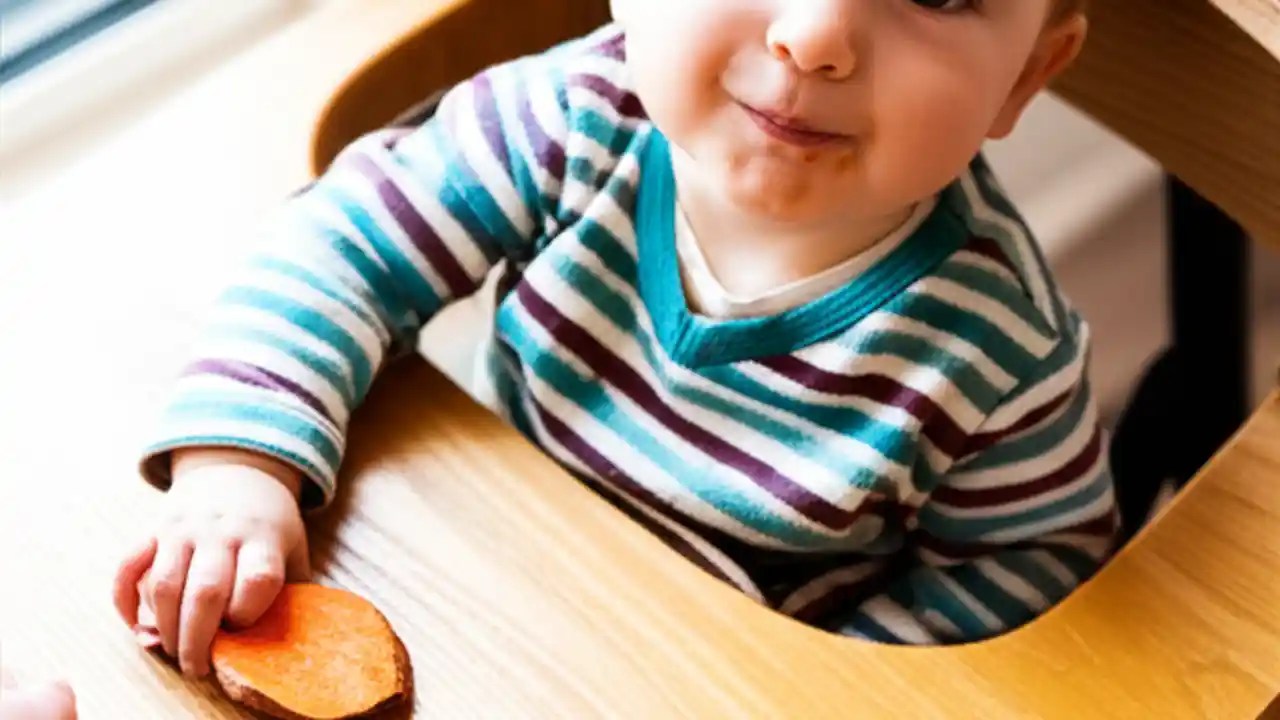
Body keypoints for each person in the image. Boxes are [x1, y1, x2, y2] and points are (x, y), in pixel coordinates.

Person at [115, 0, 1117, 679]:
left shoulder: (999, 353)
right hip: (446, 581)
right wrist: (237, 467)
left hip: (706, 679)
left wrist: (818, 689)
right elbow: (343, 245)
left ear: (1027, 73)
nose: (815, 37)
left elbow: (1029, 568)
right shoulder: (570, 121)